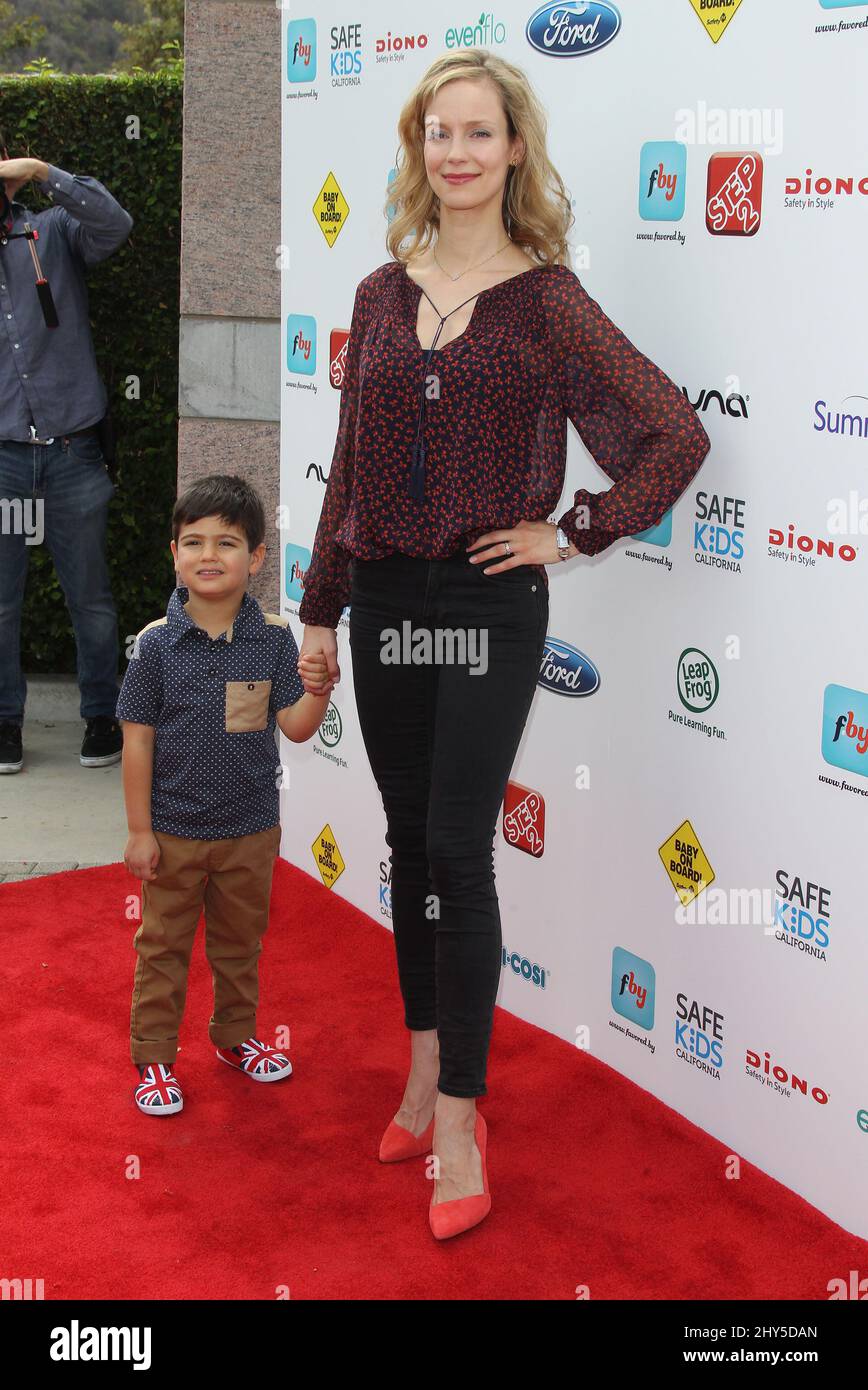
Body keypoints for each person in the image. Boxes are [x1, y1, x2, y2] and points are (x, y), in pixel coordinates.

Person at [297, 49, 712, 1239]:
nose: (458, 154)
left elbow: (670, 436)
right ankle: (424, 1070)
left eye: (479, 133)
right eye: (439, 133)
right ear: (417, 147)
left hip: (483, 608)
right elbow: (347, 477)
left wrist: (572, 530)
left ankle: (466, 1121)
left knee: (457, 848)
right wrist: (321, 608)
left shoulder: (547, 299)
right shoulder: (381, 292)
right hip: (383, 597)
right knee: (403, 843)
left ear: (515, 150)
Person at [116, 475, 330, 1116]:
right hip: (173, 834)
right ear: (174, 553)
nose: (210, 556)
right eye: (194, 542)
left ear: (257, 557)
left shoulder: (273, 640)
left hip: (250, 833)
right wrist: (139, 831)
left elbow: (295, 726)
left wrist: (318, 684)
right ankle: (154, 1059)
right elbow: (137, 743)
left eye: (228, 543)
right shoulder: (154, 644)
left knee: (240, 946)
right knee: (162, 949)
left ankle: (235, 1040)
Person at [0, 155, 132, 775]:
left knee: (91, 598)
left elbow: (114, 223)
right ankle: (5, 724)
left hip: (72, 451)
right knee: (1, 601)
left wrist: (39, 169)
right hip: (2, 460)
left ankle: (102, 716)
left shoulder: (50, 229)